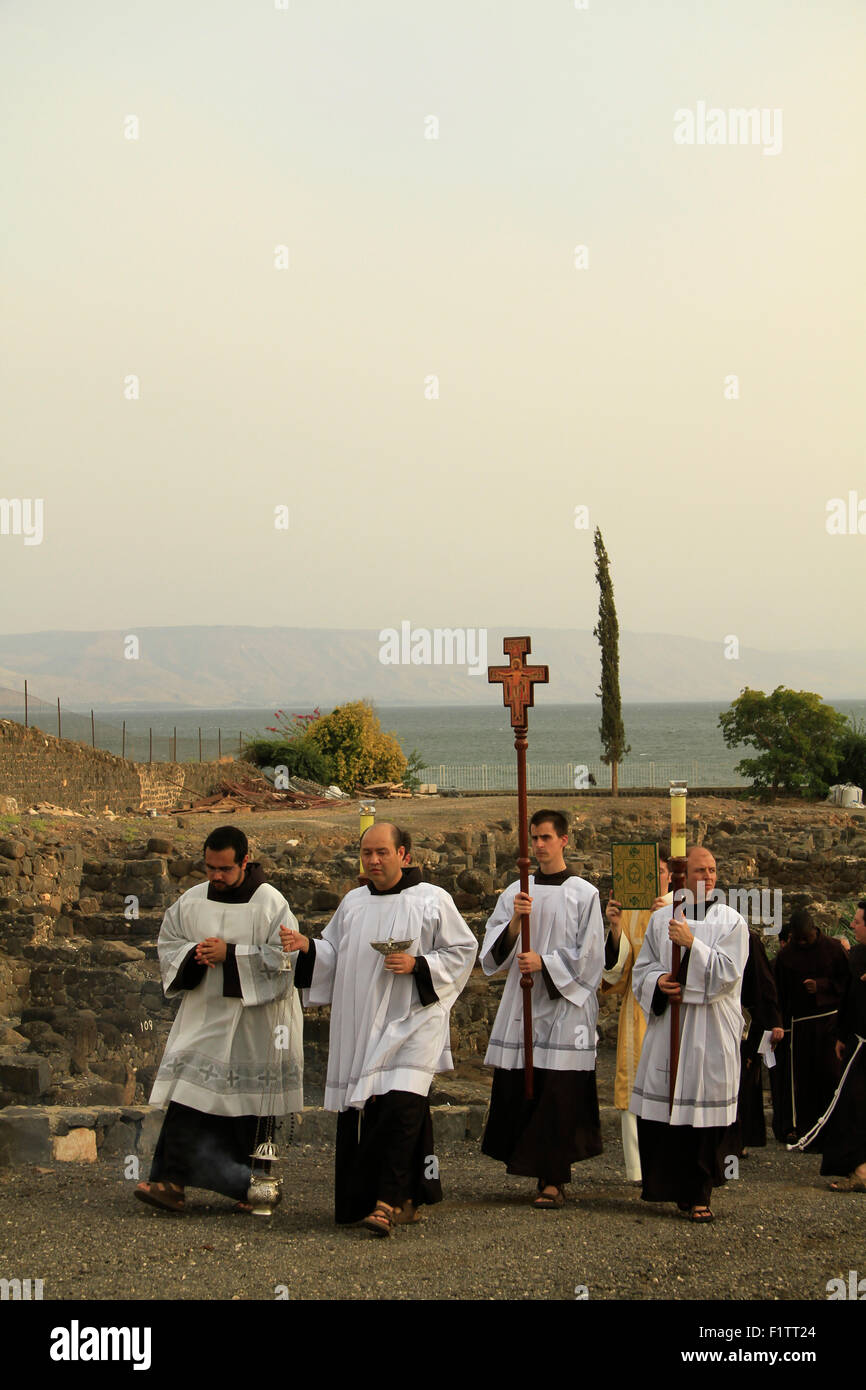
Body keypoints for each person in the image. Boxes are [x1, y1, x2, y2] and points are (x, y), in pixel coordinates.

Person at [282, 822, 476, 1236]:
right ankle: (409, 1197)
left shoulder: (432, 899)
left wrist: (419, 965)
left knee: (402, 1107)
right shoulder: (353, 902)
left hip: (414, 1019)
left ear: (404, 855)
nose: (372, 860)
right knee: (381, 1109)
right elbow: (334, 952)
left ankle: (385, 1203)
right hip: (363, 1022)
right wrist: (309, 948)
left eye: (382, 852)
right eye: (366, 853)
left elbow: (463, 950)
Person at [135, 825, 302, 1213]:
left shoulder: (270, 904)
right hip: (206, 1014)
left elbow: (287, 960)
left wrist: (232, 955)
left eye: (225, 869)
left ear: (244, 861)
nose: (215, 876)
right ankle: (170, 1182)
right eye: (209, 867)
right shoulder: (192, 900)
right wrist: (195, 953)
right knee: (188, 1093)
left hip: (255, 1022)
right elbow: (169, 943)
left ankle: (252, 1188)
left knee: (251, 1105)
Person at [479, 809, 605, 1208]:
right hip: (523, 1007)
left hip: (565, 1010)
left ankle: (554, 1179)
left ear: (564, 840)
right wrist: (516, 921)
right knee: (526, 1088)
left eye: (546, 838)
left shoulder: (584, 894)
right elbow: (492, 955)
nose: (537, 846)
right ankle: (530, 1167)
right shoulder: (515, 892)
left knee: (558, 1094)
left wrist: (546, 964)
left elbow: (591, 957)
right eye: (533, 839)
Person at [629, 846, 748, 1223]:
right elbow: (642, 969)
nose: (708, 877)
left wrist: (692, 946)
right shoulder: (661, 919)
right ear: (684, 876)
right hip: (670, 1029)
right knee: (667, 1111)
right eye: (700, 870)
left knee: (703, 1116)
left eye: (713, 870)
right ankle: (669, 1187)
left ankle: (700, 1193)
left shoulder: (731, 922)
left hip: (709, 1029)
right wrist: (661, 981)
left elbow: (728, 975)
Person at [603, 848, 672, 1181]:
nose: (655, 876)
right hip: (638, 1010)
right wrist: (616, 928)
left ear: (670, 874)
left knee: (673, 1082)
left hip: (675, 1008)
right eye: (650, 870)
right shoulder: (631, 912)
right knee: (634, 1085)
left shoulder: (683, 907)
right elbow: (618, 972)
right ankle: (638, 1169)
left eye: (660, 870)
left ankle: (674, 1162)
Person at [771, 907, 850, 1143]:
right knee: (804, 1083)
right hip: (800, 1027)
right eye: (799, 939)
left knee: (830, 1076)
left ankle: (834, 1130)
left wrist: (822, 986)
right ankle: (807, 1131)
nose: (804, 943)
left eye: (807, 938)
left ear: (815, 930)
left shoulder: (834, 949)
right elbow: (779, 994)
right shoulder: (786, 957)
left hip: (830, 1023)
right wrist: (778, 1025)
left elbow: (847, 983)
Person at [735, 928, 783, 1156]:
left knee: (744, 1079)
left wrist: (773, 1020)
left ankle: (741, 1139)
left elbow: (763, 982)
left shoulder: (747, 938)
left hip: (745, 1021)